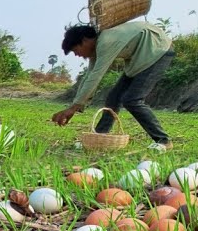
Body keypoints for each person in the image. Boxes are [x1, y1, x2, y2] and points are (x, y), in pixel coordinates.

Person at [50, 20, 175, 152]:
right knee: (113, 98)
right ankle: (98, 138)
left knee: (132, 100)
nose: (77, 55)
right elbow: (89, 76)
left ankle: (163, 140)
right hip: (140, 59)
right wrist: (75, 105)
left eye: (76, 50)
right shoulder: (99, 46)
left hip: (158, 52)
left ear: (85, 41)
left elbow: (96, 76)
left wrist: (74, 107)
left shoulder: (106, 42)